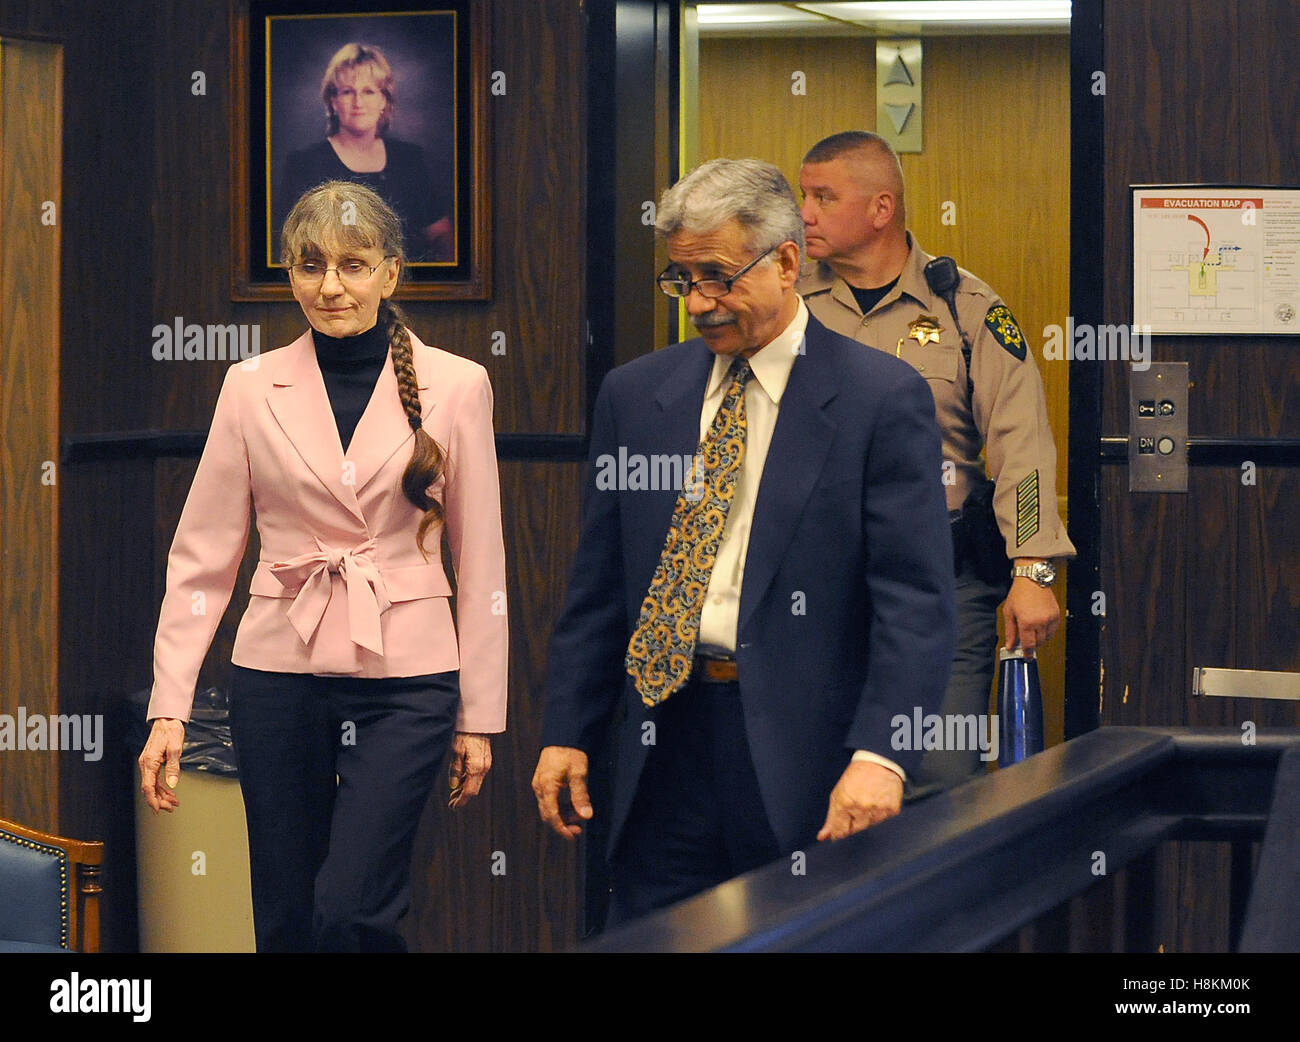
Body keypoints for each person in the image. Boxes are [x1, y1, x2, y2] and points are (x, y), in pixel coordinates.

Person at [531, 158, 956, 924]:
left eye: (718, 277)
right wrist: (567, 730)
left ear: (788, 260)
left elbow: (915, 605)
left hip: (806, 755)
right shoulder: (636, 397)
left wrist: (883, 753)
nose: (698, 302)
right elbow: (598, 589)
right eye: (682, 279)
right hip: (661, 742)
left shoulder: (878, 398)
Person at [137, 180, 507, 952]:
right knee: (286, 912)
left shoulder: (459, 384)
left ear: (391, 273)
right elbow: (203, 557)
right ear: (289, 274)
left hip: (408, 675)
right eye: (310, 267)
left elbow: (482, 564)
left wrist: (481, 714)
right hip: (278, 669)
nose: (331, 286)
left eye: (353, 264)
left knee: (351, 909)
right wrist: (169, 703)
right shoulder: (247, 386)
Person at [797, 131, 1076, 798]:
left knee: (939, 781)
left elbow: (1024, 447)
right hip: (813, 588)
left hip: (939, 585)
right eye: (802, 195)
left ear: (881, 208)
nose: (804, 212)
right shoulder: (787, 306)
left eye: (823, 197)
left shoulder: (966, 310)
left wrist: (1033, 569)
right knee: (810, 779)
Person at [276, 43, 453, 262]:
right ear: (333, 101)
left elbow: (441, 234)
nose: (358, 102)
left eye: (369, 91)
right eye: (348, 92)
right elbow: (291, 246)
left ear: (383, 100)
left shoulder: (410, 159)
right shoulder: (304, 164)